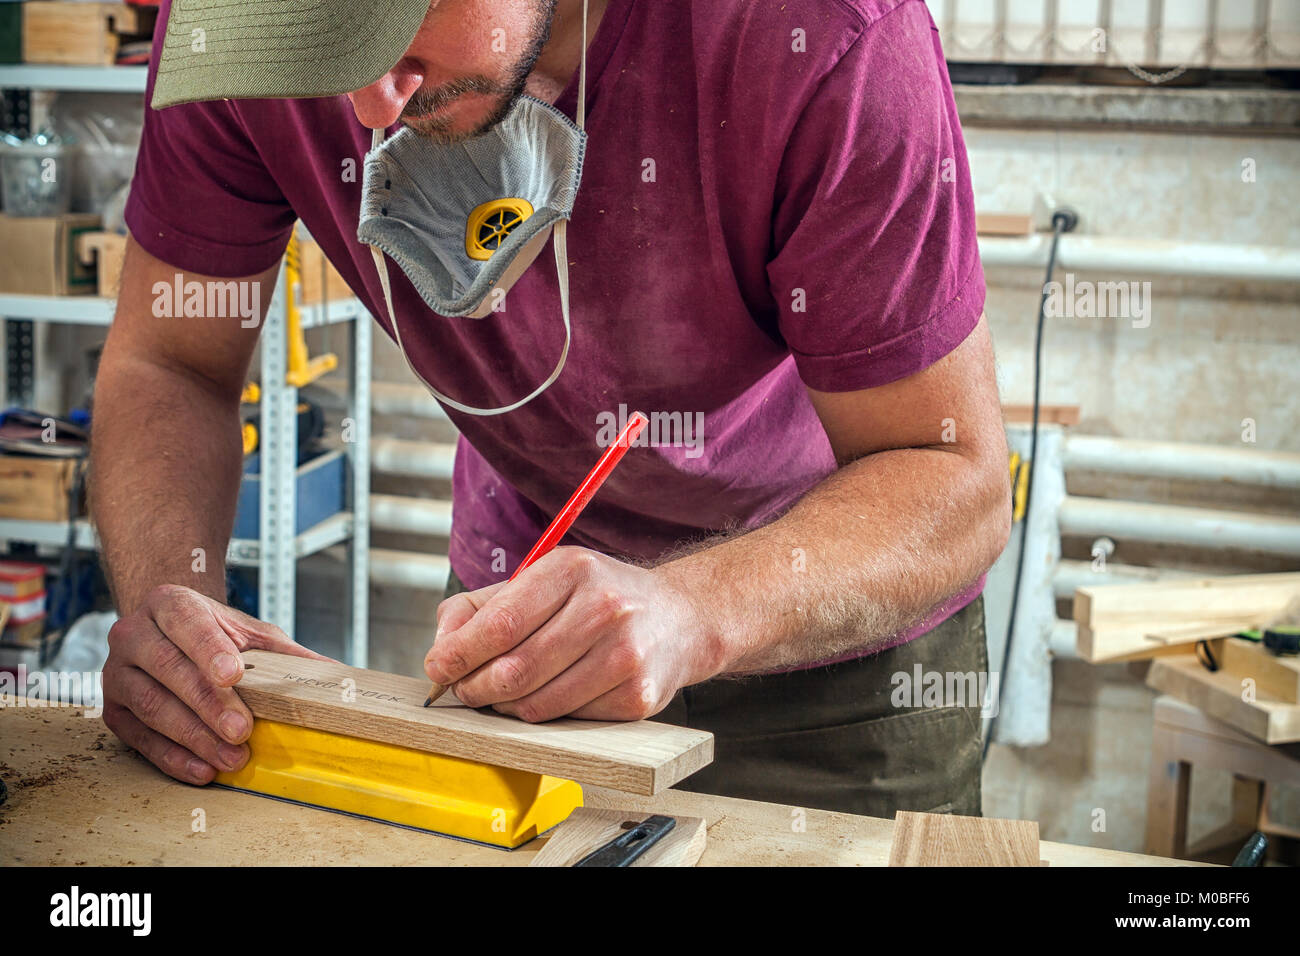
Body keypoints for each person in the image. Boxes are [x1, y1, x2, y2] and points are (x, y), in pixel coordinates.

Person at [95, 0, 1009, 818]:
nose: (371, 102)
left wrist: (691, 610)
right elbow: (170, 364)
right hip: (518, 616)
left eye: (394, 20)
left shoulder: (824, 35)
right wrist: (176, 622)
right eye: (324, 38)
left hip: (836, 658)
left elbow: (954, 479)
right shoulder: (236, 31)